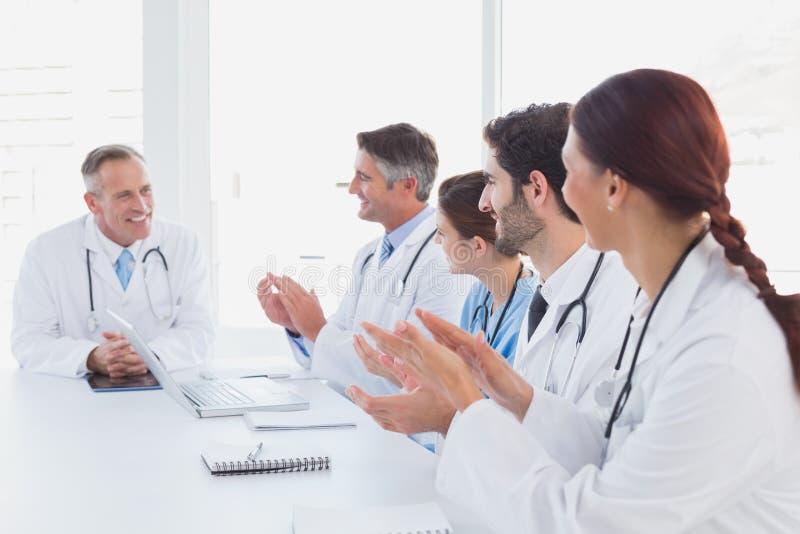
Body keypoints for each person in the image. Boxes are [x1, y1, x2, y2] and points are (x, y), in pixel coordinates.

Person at [360, 70, 800, 532]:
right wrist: (518, 397)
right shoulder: (666, 306)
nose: (560, 192)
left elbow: (591, 524)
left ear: (614, 188)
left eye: (569, 173)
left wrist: (469, 409)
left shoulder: (720, 352)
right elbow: (615, 450)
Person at [348, 105, 636, 462]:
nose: (484, 203)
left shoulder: (621, 302)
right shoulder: (548, 298)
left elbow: (589, 459)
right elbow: (521, 436)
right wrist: (448, 393)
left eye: (492, 183)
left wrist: (451, 415)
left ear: (536, 189)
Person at [256, 123, 463, 395]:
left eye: (364, 177)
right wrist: (298, 326)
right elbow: (340, 336)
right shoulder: (368, 255)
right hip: (363, 420)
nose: (352, 188)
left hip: (411, 435)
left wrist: (317, 329)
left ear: (407, 185)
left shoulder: (444, 258)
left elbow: (415, 370)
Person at [12, 144, 214, 378]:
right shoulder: (45, 252)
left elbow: (200, 331)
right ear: (92, 203)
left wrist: (151, 355)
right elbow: (29, 340)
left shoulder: (184, 243)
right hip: (75, 401)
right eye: (124, 195)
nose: (142, 206)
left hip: (165, 395)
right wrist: (91, 357)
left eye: (145, 190)